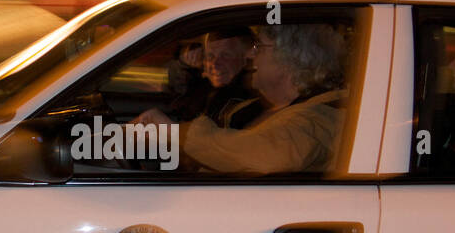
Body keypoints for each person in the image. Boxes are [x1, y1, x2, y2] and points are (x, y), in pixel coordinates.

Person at [135, 23, 347, 174]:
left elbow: (267, 155)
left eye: (259, 48)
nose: (250, 55)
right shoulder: (249, 108)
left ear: (290, 58)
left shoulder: (324, 118)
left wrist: (172, 132)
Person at [167, 27, 263, 129]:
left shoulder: (245, 105)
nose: (214, 64)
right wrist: (183, 62)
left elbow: (211, 142)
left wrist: (170, 131)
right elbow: (177, 103)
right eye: (210, 56)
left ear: (246, 58)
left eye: (225, 56)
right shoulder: (205, 89)